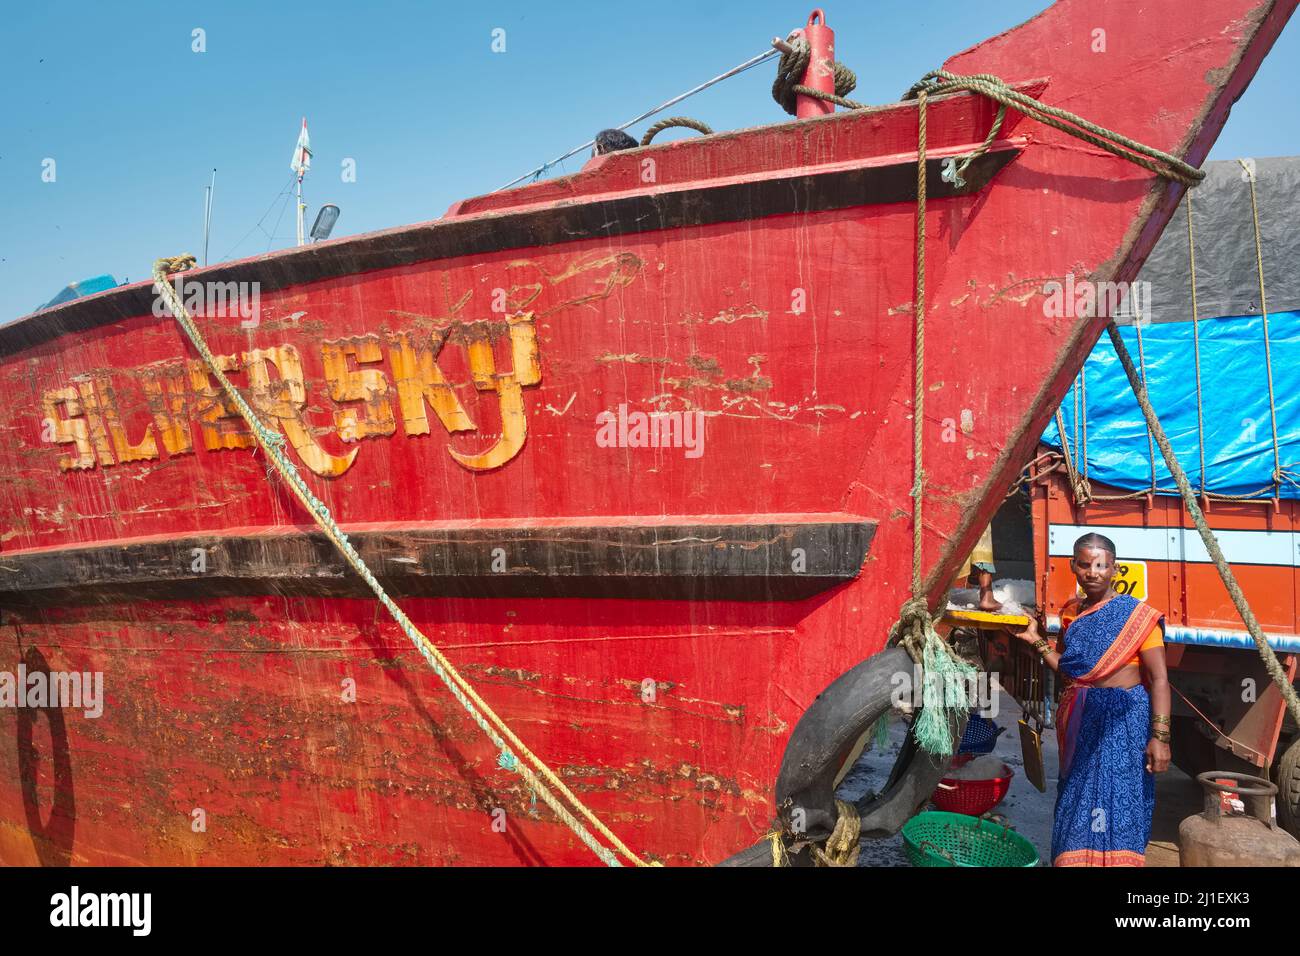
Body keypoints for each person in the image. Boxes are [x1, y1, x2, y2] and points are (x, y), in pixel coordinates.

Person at [1007, 532, 1171, 866]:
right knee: (1077, 793)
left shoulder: (1139, 617)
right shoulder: (1070, 614)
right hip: (1082, 719)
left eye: (1101, 565)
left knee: (1121, 794)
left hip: (1125, 721)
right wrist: (1036, 641)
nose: (1092, 572)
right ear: (1073, 566)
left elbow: (1159, 679)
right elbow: (1071, 671)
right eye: (1084, 565)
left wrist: (1160, 737)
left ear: (1115, 569)